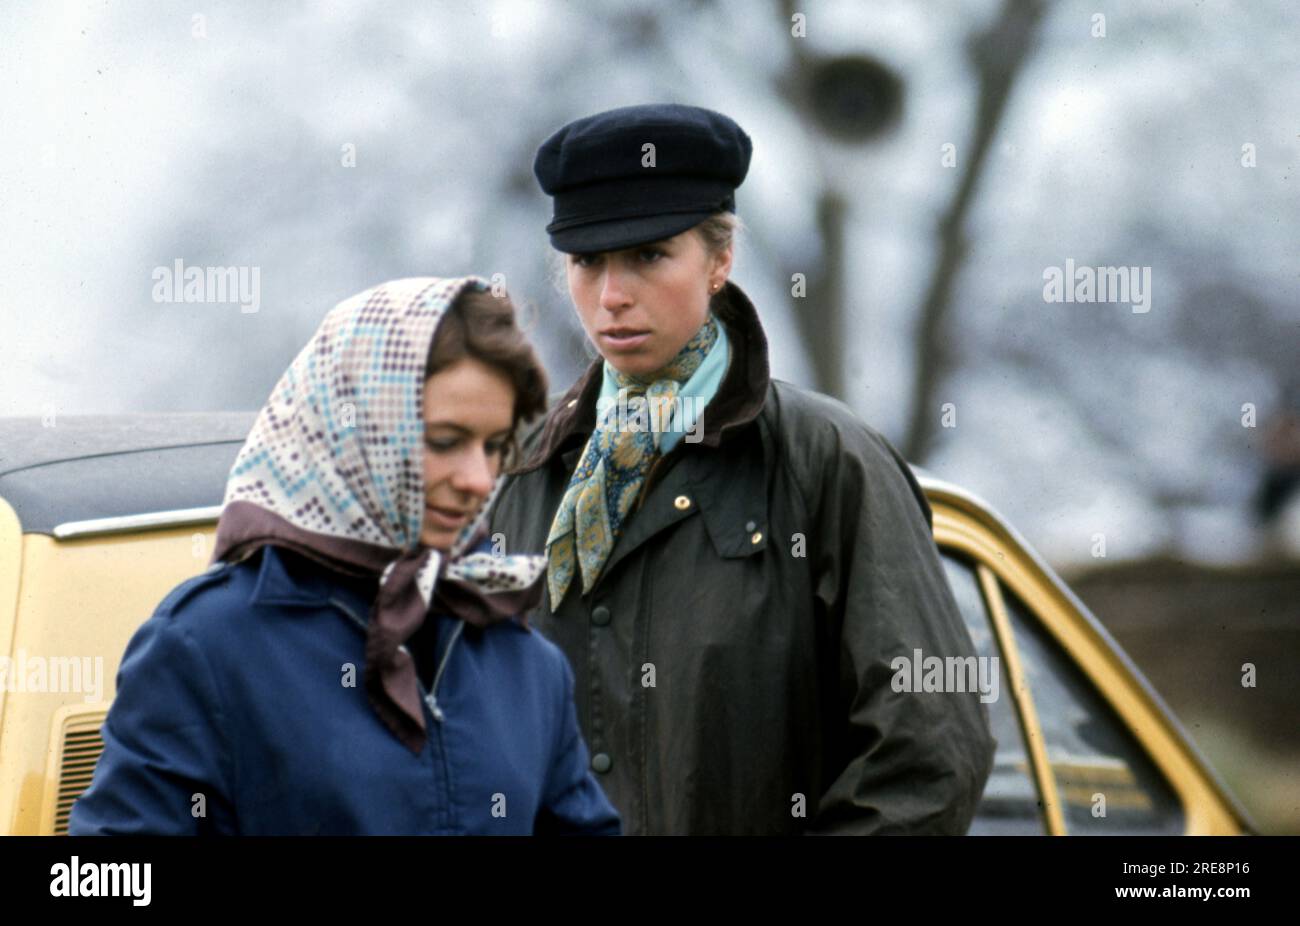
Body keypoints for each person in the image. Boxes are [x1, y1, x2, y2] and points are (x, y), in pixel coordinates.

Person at [489, 103, 996, 835]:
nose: (611, 296)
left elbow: (929, 751)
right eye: (587, 262)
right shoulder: (518, 471)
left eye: (649, 256)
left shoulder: (826, 458)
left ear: (720, 260)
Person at [69, 277, 621, 835]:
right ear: (354, 428)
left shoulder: (521, 658)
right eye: (445, 441)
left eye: (494, 446)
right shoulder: (206, 645)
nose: (479, 479)